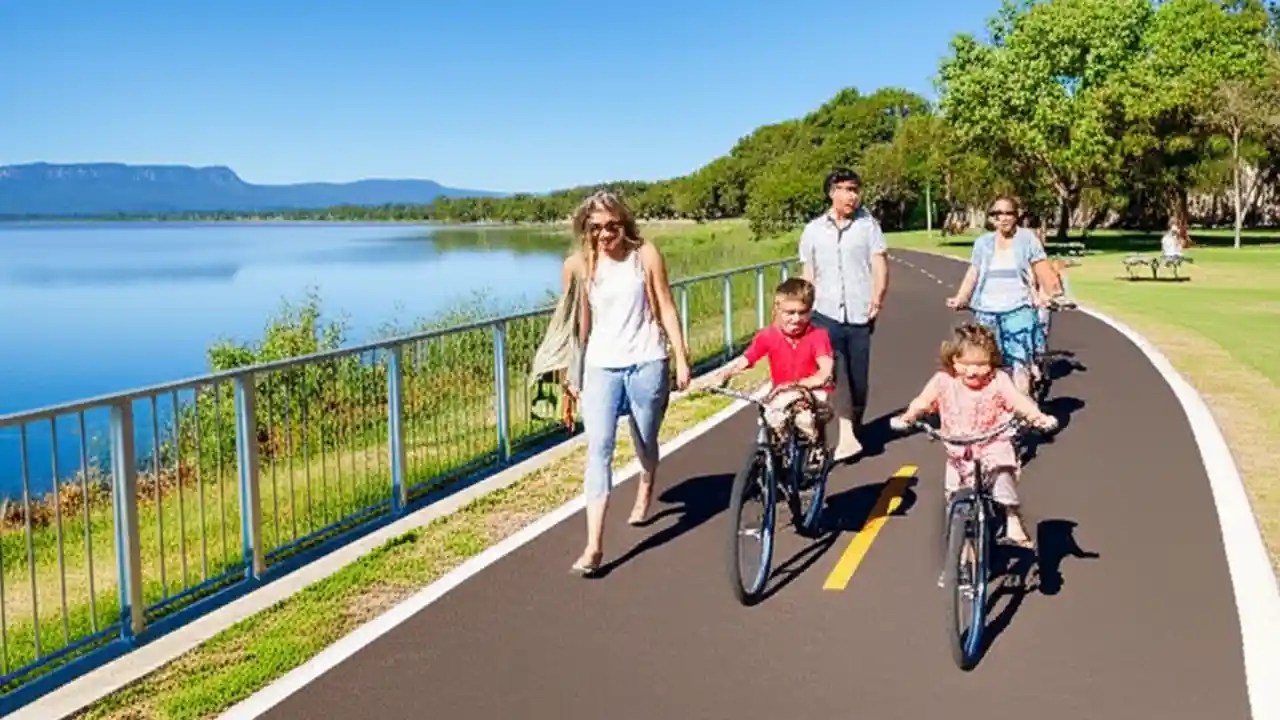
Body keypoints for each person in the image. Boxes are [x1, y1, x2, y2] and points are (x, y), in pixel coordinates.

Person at [564, 190, 691, 576]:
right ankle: (594, 546)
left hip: (647, 360)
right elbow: (577, 327)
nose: (605, 234)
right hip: (601, 366)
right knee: (598, 448)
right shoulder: (578, 265)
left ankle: (646, 481)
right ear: (586, 228)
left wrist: (682, 357)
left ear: (625, 223)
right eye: (596, 227)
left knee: (645, 438)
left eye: (612, 225)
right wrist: (572, 374)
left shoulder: (645, 255)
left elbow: (666, 305)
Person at [890, 323, 1057, 549]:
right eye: (965, 364)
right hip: (958, 448)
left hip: (992, 441)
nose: (973, 371)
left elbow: (1018, 401)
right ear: (953, 361)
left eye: (981, 364)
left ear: (992, 362)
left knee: (1002, 474)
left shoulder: (998, 380)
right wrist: (909, 417)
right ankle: (959, 558)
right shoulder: (943, 381)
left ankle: (1011, 517)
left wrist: (1038, 418)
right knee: (954, 496)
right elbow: (923, 401)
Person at [798, 168, 888, 462]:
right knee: (836, 369)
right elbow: (808, 271)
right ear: (831, 192)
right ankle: (845, 433)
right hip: (824, 311)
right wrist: (803, 308)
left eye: (855, 189)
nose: (852, 195)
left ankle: (854, 426)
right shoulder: (813, 230)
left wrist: (878, 296)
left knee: (858, 381)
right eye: (846, 189)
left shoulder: (868, 226)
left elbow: (879, 263)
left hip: (861, 312)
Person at [694, 277, 834, 446]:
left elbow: (825, 371)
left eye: (802, 312)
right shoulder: (767, 336)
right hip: (781, 395)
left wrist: (801, 384)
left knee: (804, 421)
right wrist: (723, 375)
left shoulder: (818, 336)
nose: (796, 319)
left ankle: (814, 450)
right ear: (777, 309)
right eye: (790, 312)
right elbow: (746, 359)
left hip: (812, 393)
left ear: (810, 311)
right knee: (772, 421)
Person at [945, 195, 1059, 397]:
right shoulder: (983, 243)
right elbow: (974, 272)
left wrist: (1051, 294)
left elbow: (1041, 267)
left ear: (1017, 216)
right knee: (987, 362)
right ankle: (993, 408)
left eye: (1009, 213)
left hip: (1018, 308)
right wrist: (961, 297)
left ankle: (1023, 410)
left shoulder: (1027, 239)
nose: (1003, 218)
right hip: (987, 310)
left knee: (1019, 360)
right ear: (992, 218)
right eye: (998, 214)